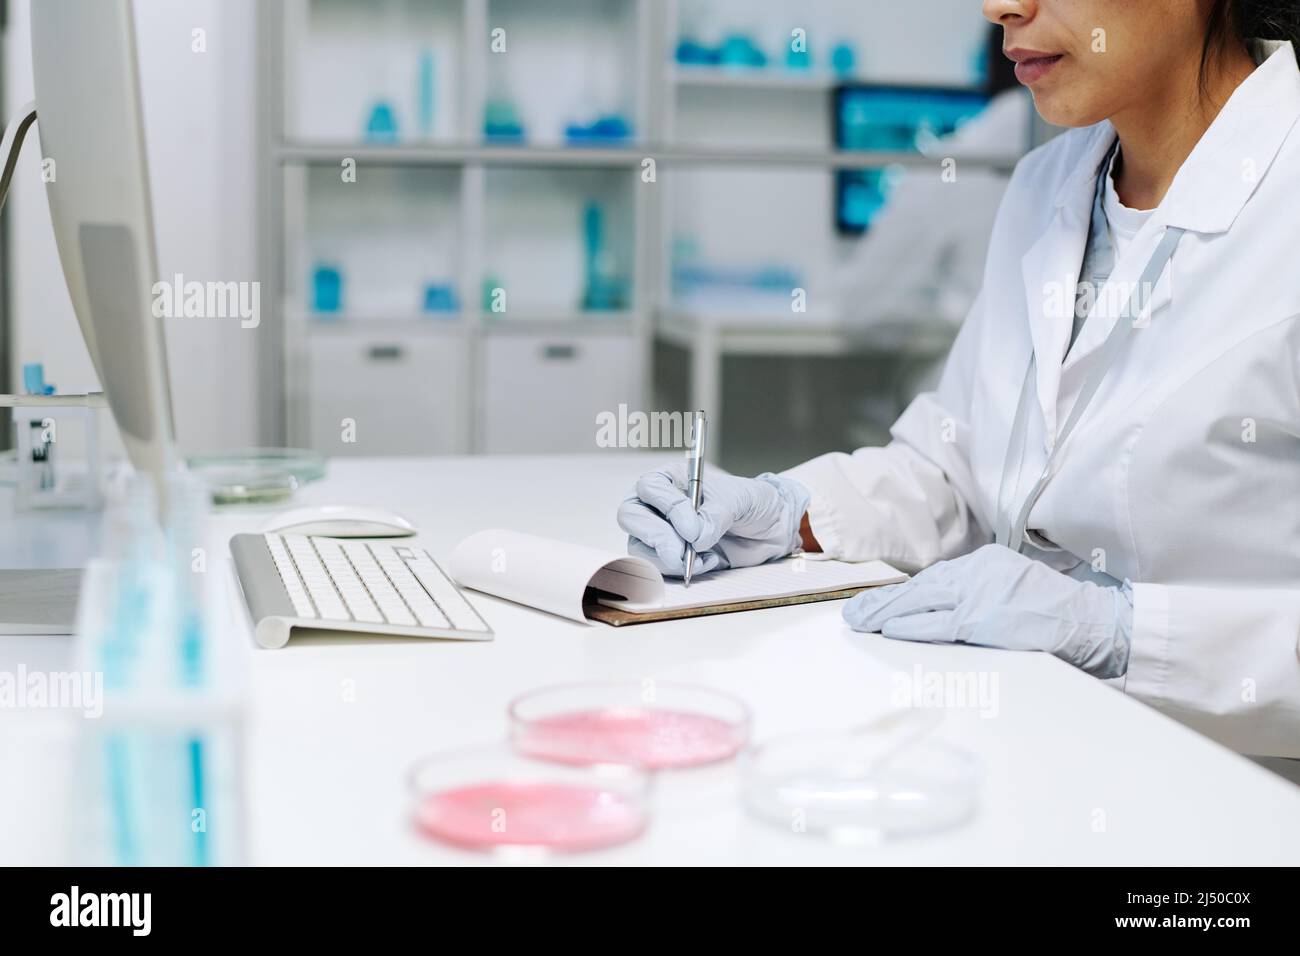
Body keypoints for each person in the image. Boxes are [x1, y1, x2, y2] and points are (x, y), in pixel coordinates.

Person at [618, 0, 1300, 762]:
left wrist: (1121, 636)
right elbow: (960, 469)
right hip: (1046, 748)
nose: (999, 6)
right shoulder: (1049, 185)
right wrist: (793, 512)